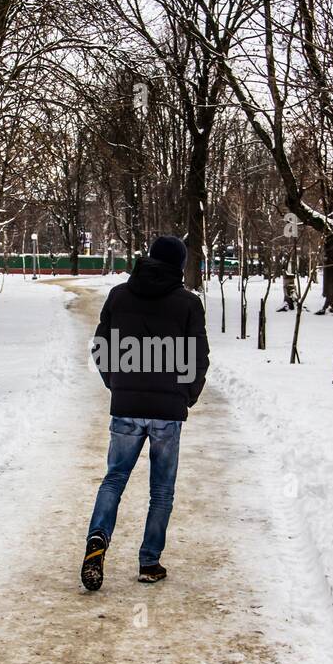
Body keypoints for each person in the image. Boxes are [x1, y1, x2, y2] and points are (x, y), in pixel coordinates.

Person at [81, 235, 209, 590]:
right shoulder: (188, 303)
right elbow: (198, 359)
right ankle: (149, 562)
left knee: (114, 479)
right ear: (180, 266)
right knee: (162, 490)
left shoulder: (119, 295)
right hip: (168, 411)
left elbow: (100, 347)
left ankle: (97, 541)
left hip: (127, 408)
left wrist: (117, 384)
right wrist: (186, 396)